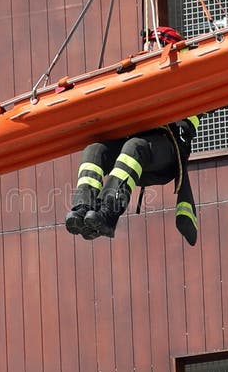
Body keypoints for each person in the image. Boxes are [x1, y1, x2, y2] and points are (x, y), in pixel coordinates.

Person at [64, 26, 200, 244]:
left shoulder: (188, 73)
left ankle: (108, 212)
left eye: (152, 44)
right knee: (95, 150)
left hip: (167, 147)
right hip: (137, 145)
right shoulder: (137, 70)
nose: (147, 49)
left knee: (134, 147)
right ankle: (83, 209)